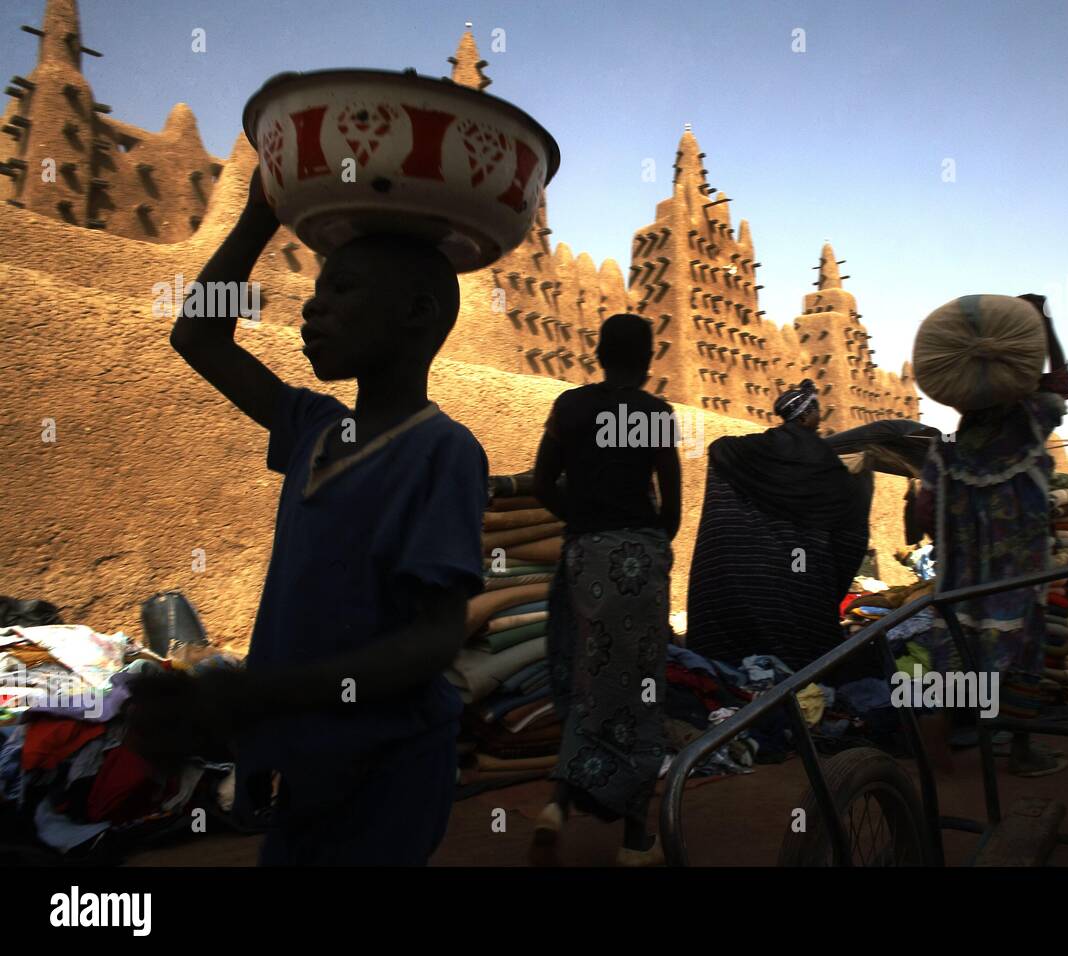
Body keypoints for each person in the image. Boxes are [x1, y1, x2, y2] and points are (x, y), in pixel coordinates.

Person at [128, 167, 488, 865]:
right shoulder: (315, 429)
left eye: (341, 291)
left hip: (388, 772)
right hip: (307, 763)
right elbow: (199, 336)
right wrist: (258, 218)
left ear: (416, 313)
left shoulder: (442, 451)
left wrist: (261, 695)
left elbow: (434, 639)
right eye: (317, 291)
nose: (311, 310)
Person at [530, 313, 682, 866]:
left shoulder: (568, 408)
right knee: (640, 692)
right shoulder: (656, 415)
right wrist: (645, 542)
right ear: (647, 362)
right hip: (640, 559)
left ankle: (558, 805)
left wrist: (585, 523)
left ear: (597, 353)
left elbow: (543, 484)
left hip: (586, 557)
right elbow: (673, 507)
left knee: (585, 677)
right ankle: (634, 838)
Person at [914, 294, 1068, 777]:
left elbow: (923, 515)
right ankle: (1021, 752)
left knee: (952, 663)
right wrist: (1043, 322)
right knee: (1024, 657)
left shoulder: (946, 453)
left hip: (961, 585)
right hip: (1019, 580)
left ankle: (936, 755)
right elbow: (1060, 382)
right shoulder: (1030, 425)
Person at [686, 379, 871, 676]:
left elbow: (718, 449)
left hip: (735, 590)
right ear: (807, 416)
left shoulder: (747, 452)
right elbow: (850, 535)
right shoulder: (827, 468)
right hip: (799, 595)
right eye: (817, 409)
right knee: (805, 674)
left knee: (730, 672)